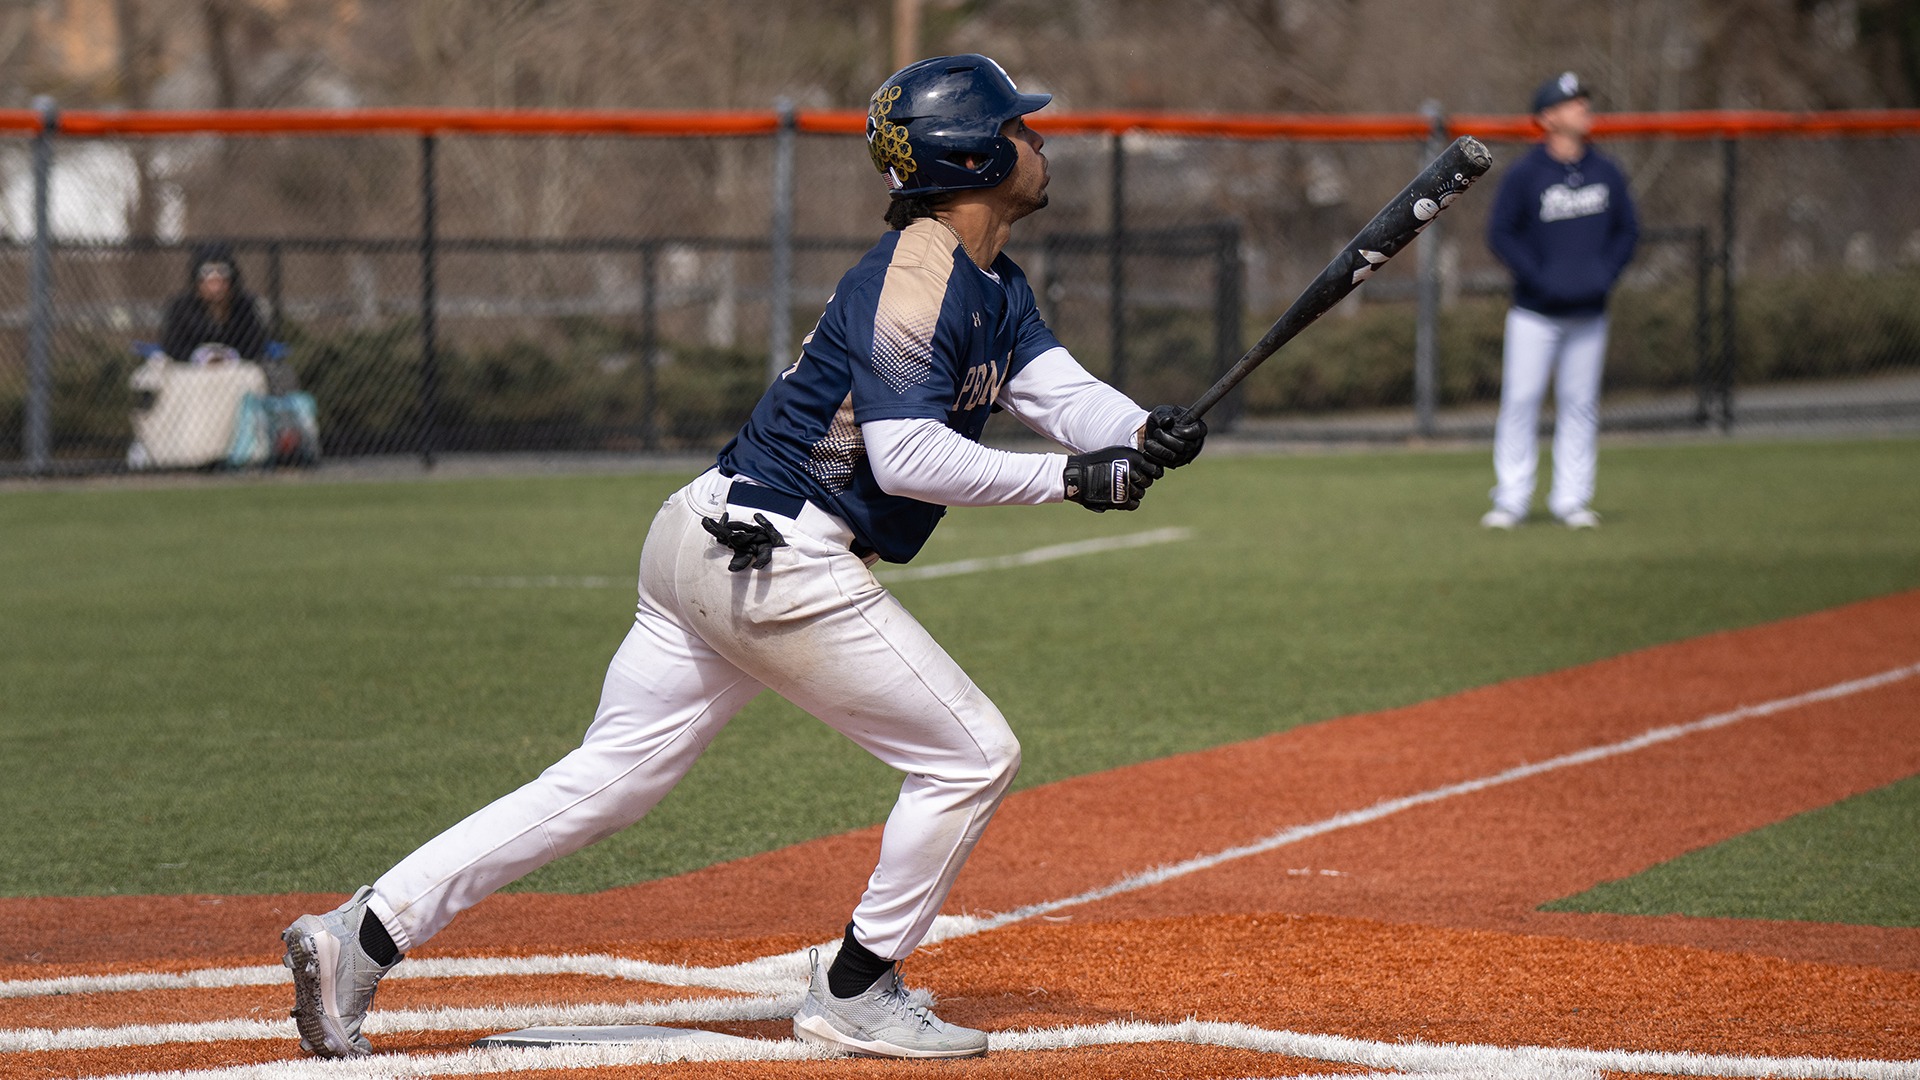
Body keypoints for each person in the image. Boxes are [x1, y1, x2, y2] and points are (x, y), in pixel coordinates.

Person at [279, 54, 1208, 1062]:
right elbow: (905, 459)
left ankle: (357, 938)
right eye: (1021, 130)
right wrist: (1069, 481)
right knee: (970, 756)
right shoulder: (916, 283)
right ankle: (858, 984)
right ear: (974, 153)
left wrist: (1140, 427)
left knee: (609, 780)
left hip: (705, 534)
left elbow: (1059, 394)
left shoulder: (987, 278)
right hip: (776, 558)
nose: (1040, 141)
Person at [1481, 71, 1638, 530]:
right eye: (1573, 103)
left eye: (1584, 102)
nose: (1583, 109)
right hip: (1535, 312)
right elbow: (1500, 233)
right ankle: (1511, 498)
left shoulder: (1605, 171)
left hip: (1590, 311)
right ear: (1547, 117)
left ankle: (1571, 499)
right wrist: (1540, 277)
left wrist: (1603, 274)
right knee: (1521, 400)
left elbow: (1627, 231)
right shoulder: (1526, 175)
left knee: (1580, 404)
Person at [160, 243, 269, 365]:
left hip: (236, 369)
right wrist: (203, 357)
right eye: (209, 280)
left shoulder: (245, 307)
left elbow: (254, 345)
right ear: (198, 284)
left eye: (222, 279)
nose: (216, 288)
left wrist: (228, 356)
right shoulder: (181, 308)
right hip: (191, 371)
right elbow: (174, 346)